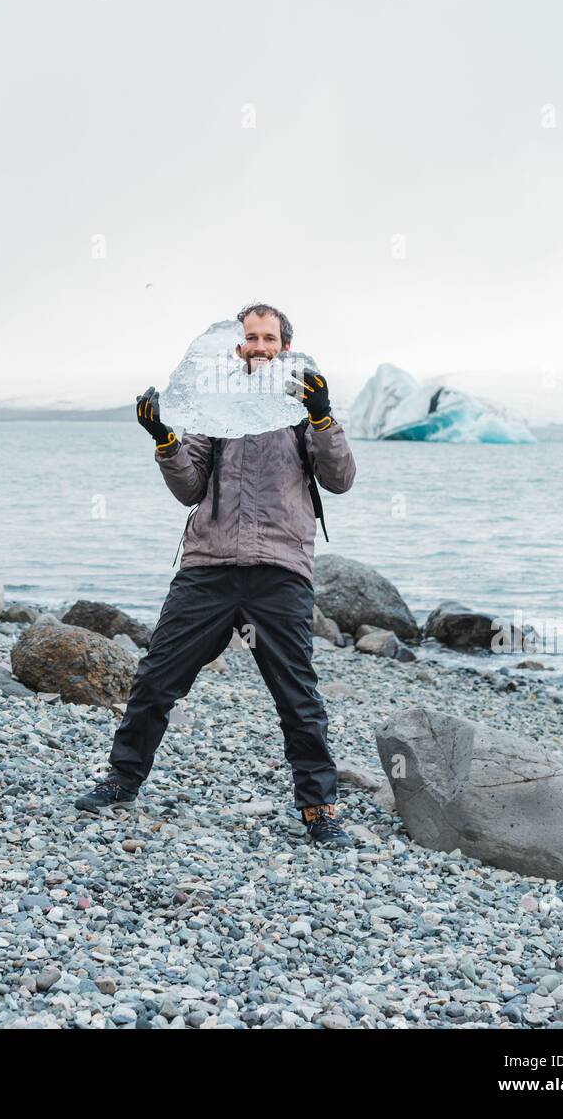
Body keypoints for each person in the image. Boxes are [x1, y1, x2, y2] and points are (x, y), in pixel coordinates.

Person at [75, 303, 358, 849]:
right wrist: (164, 438)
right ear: (237, 348)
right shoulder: (216, 404)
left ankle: (319, 808)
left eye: (268, 338)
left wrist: (323, 417)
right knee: (156, 677)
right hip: (208, 566)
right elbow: (189, 487)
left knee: (297, 696)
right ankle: (122, 779)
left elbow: (340, 478)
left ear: (285, 345)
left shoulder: (304, 406)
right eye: (250, 337)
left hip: (280, 569)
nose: (258, 346)